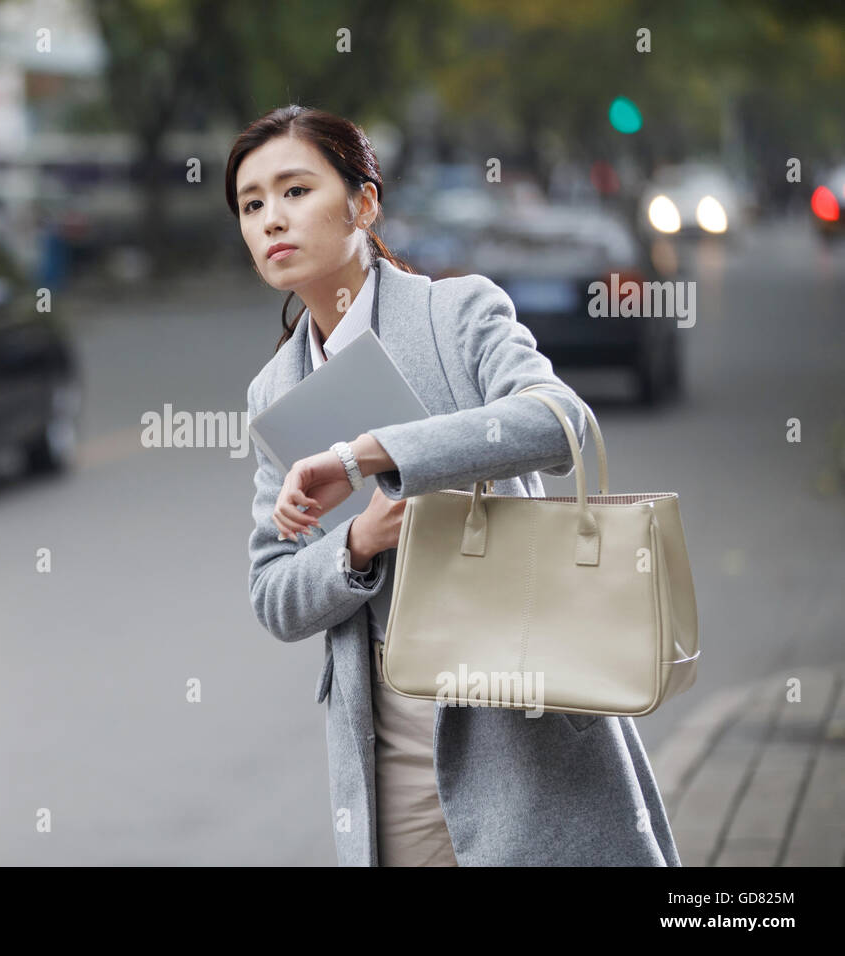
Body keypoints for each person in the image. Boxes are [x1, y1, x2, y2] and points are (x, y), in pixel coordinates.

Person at [231, 105, 681, 867]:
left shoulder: (456, 312)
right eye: (251, 204)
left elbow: (556, 421)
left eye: (296, 190)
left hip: (521, 699)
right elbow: (273, 591)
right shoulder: (275, 390)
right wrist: (356, 544)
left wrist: (371, 453)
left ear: (363, 202)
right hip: (389, 730)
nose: (272, 217)